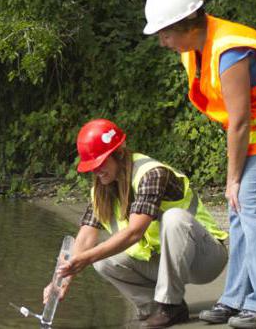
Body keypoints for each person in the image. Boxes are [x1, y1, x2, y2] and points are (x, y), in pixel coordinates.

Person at [141, 0, 256, 328]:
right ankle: (235, 299)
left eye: (165, 34)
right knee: (239, 208)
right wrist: (233, 181)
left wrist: (233, 178)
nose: (162, 41)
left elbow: (239, 123)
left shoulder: (230, 51)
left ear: (187, 24)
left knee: (249, 205)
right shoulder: (194, 47)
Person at [45, 118, 228, 328]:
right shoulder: (101, 189)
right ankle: (155, 308)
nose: (96, 171)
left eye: (101, 163)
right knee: (103, 261)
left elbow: (135, 232)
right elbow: (85, 237)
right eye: (92, 166)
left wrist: (84, 259)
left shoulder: (151, 174)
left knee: (174, 218)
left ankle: (170, 305)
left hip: (205, 258)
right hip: (164, 262)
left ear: (119, 153)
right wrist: (60, 282)